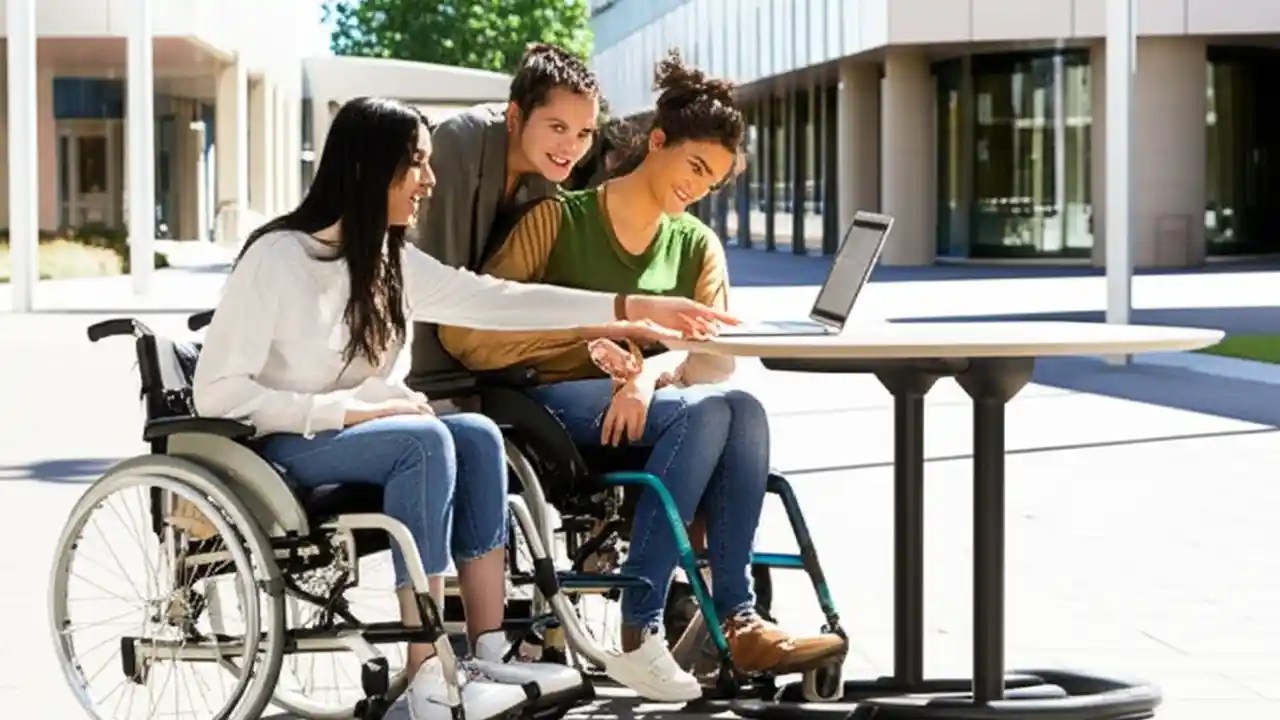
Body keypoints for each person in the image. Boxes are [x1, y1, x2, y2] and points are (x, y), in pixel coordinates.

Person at [191, 95, 734, 720]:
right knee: (425, 440)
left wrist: (631, 307)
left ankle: (486, 651)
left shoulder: (387, 260)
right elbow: (221, 394)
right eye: (415, 165)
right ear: (371, 171)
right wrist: (348, 410)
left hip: (350, 433)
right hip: (277, 447)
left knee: (474, 433)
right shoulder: (278, 258)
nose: (429, 180)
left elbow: (496, 300)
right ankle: (426, 670)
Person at [437, 52, 848, 703]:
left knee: (741, 406)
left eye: (713, 182)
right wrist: (587, 337)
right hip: (549, 405)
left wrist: (646, 375)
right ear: (655, 142)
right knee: (712, 411)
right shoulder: (556, 220)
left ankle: (737, 621)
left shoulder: (696, 245)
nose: (698, 188)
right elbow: (468, 334)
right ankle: (640, 630)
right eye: (694, 167)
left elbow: (712, 356)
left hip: (653, 409)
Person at [414, 41, 602, 272]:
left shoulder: (546, 178)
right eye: (558, 128)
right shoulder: (460, 141)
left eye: (584, 133)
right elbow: (439, 269)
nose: (572, 147)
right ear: (514, 115)